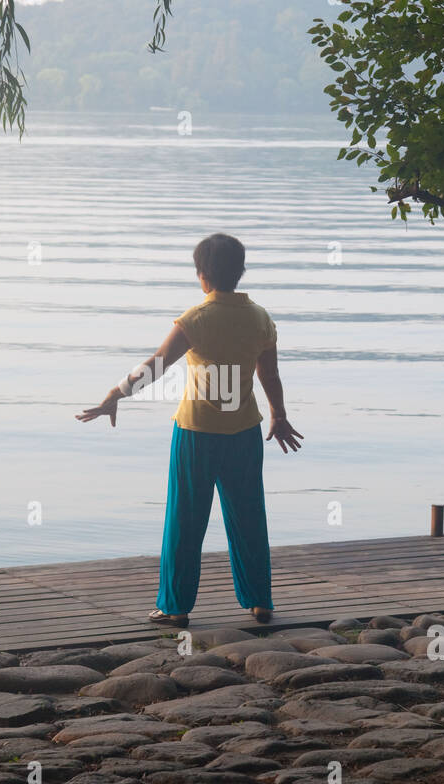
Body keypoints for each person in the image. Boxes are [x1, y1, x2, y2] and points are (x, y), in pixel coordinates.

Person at [76, 233, 302, 626]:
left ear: (202, 276)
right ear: (240, 272)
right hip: (245, 432)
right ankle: (260, 601)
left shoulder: (196, 319)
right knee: (249, 516)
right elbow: (270, 373)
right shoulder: (261, 318)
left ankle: (175, 607)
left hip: (197, 432)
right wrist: (278, 415)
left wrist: (116, 393)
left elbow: (158, 364)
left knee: (185, 517)